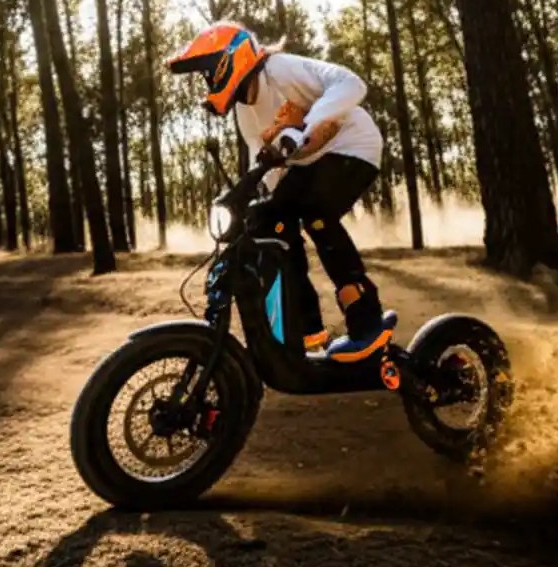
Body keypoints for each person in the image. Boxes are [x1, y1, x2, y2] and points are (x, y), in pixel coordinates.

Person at [166, 21, 396, 363]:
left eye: (210, 72)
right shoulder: (245, 112)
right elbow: (268, 168)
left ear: (231, 59)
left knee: (316, 211)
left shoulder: (279, 70)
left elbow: (351, 84)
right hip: (309, 166)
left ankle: (367, 320)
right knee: (267, 220)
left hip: (354, 147)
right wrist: (261, 206)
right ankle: (304, 325)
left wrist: (307, 125)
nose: (208, 82)